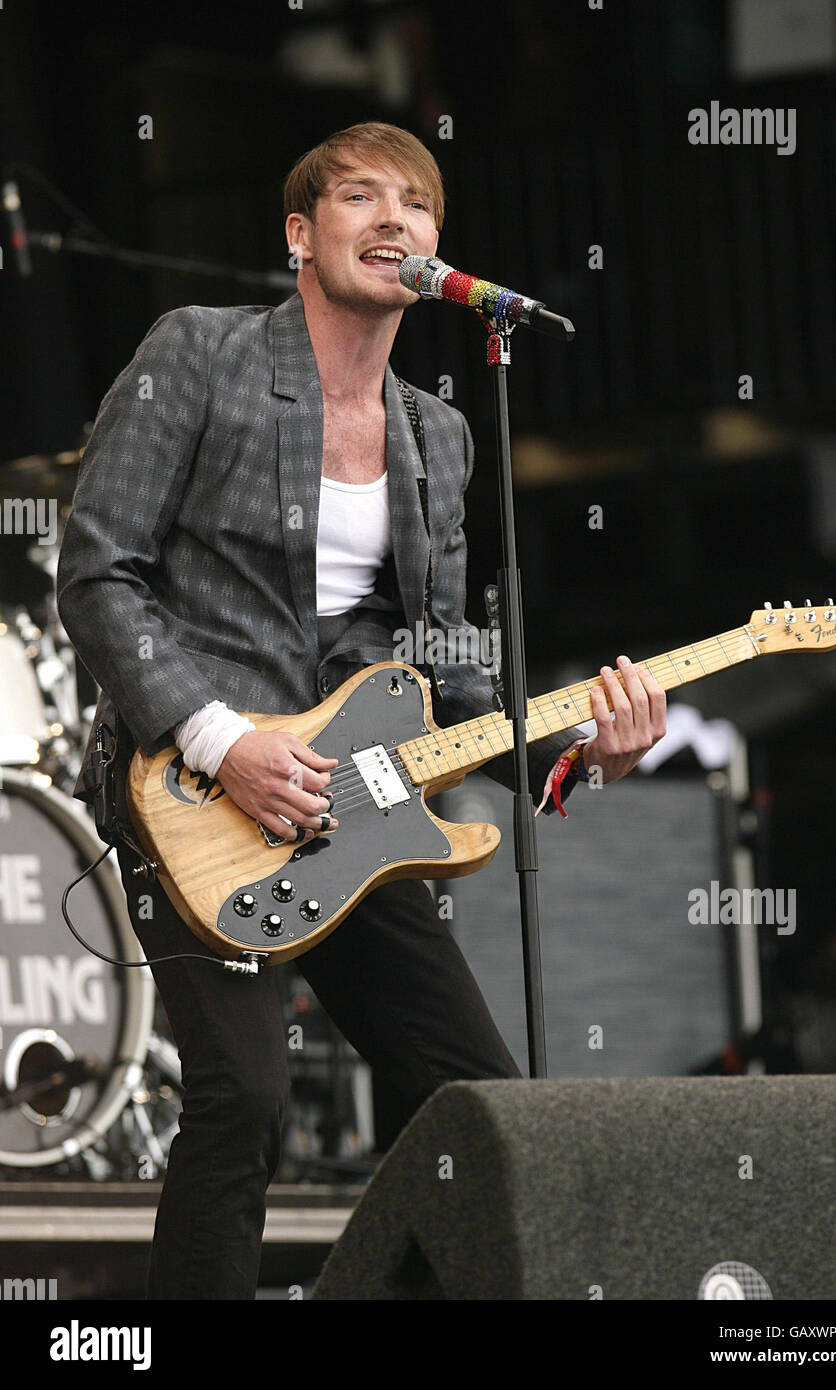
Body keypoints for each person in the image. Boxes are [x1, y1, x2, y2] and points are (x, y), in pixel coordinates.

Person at [57, 121, 666, 1300]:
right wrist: (224, 743)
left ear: (441, 250)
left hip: (353, 806)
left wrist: (583, 753)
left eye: (418, 204)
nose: (395, 219)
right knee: (246, 1097)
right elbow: (96, 569)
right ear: (301, 234)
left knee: (476, 1112)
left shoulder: (436, 437)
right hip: (185, 790)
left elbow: (433, 671)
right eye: (359, 198)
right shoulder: (200, 355)